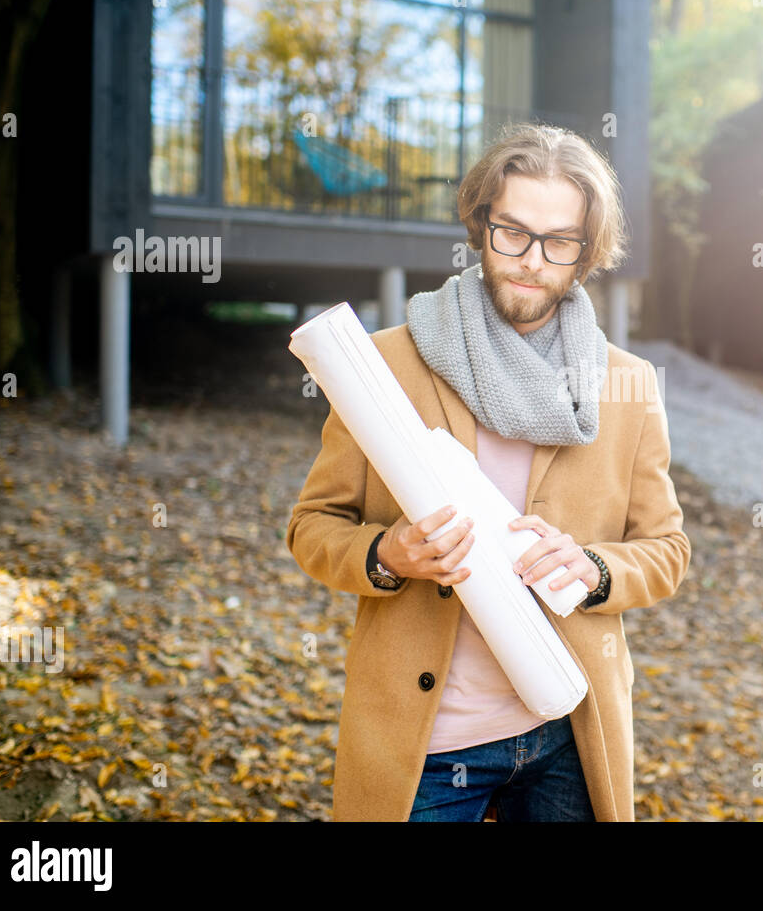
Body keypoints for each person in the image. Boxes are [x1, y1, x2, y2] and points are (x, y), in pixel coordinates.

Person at [286, 122, 690, 821]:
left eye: (560, 241)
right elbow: (312, 527)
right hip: (427, 744)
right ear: (480, 224)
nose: (533, 260)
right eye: (513, 231)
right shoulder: (384, 364)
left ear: (586, 253)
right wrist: (387, 554)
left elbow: (667, 550)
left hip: (570, 728)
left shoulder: (626, 385)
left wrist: (593, 568)